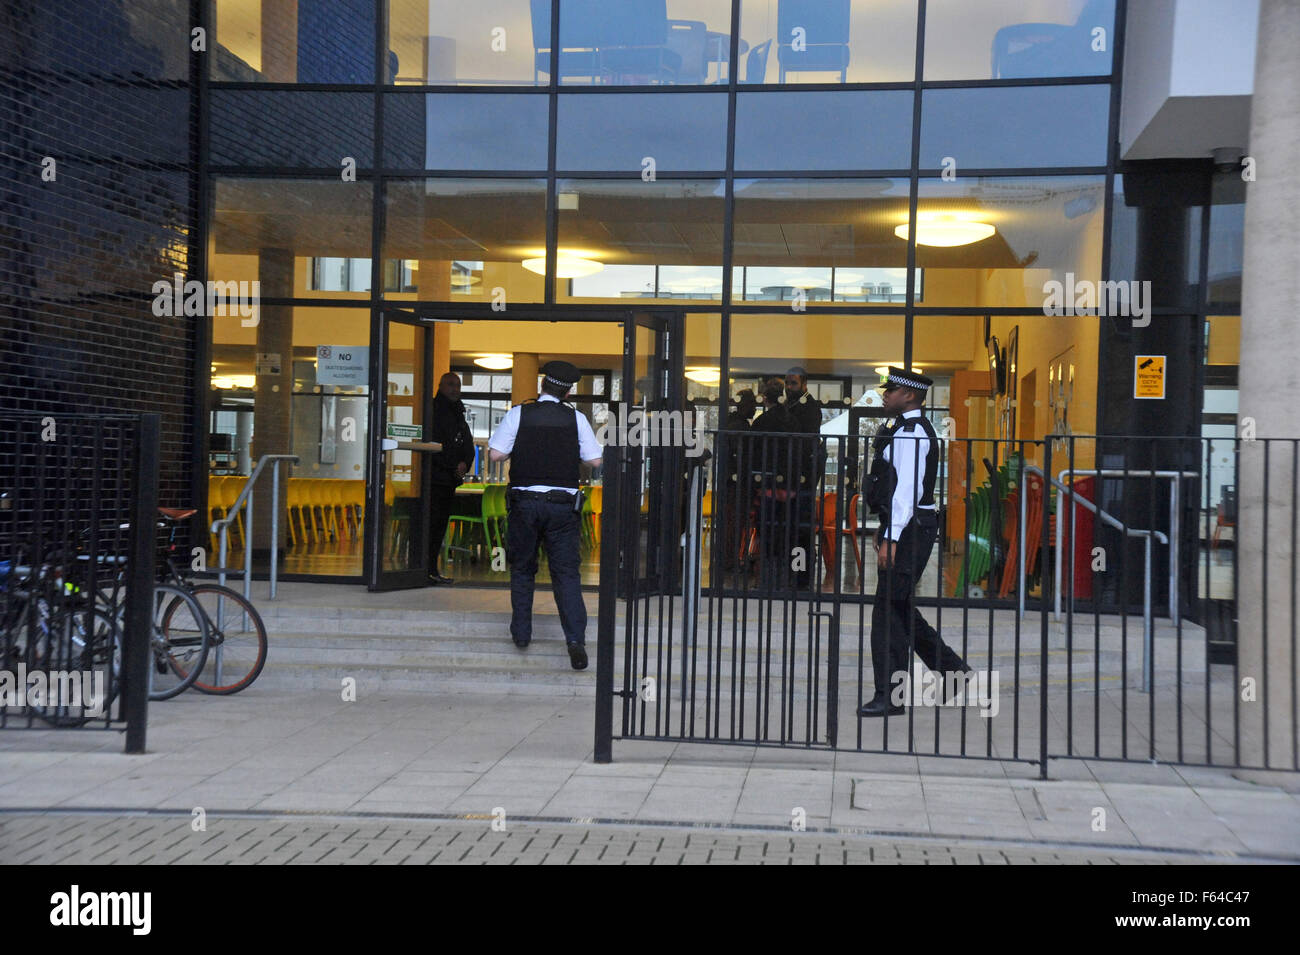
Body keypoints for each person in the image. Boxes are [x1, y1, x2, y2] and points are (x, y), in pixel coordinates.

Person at [859, 367, 970, 717]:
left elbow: (906, 491)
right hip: (908, 527)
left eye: (890, 390)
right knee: (898, 605)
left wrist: (893, 535)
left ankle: (890, 696)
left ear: (909, 395)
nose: (884, 394)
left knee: (888, 613)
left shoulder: (911, 433)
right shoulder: (906, 429)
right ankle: (953, 671)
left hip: (910, 530)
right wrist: (886, 527)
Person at [488, 360, 603, 670]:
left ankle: (522, 634)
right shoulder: (575, 419)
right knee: (566, 572)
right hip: (562, 506)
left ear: (542, 385)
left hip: (524, 503)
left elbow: (496, 454)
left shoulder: (518, 414)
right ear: (568, 392)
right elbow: (594, 460)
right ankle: (575, 641)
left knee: (523, 567)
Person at [427, 372, 476, 584]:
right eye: (450, 384)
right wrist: (452, 465)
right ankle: (426, 569)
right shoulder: (433, 410)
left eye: (457, 385)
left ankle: (431, 570)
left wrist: (464, 464)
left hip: (449, 479)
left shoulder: (459, 413)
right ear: (440, 386)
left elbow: (466, 442)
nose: (455, 389)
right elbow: (435, 445)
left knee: (439, 527)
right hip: (434, 478)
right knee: (432, 526)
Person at [784, 366, 823, 589]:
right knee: (791, 526)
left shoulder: (810, 407)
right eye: (787, 383)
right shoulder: (790, 405)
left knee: (801, 526)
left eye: (794, 384)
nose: (789, 388)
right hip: (792, 475)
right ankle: (793, 572)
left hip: (804, 476)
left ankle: (802, 576)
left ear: (804, 384)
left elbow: (806, 440)